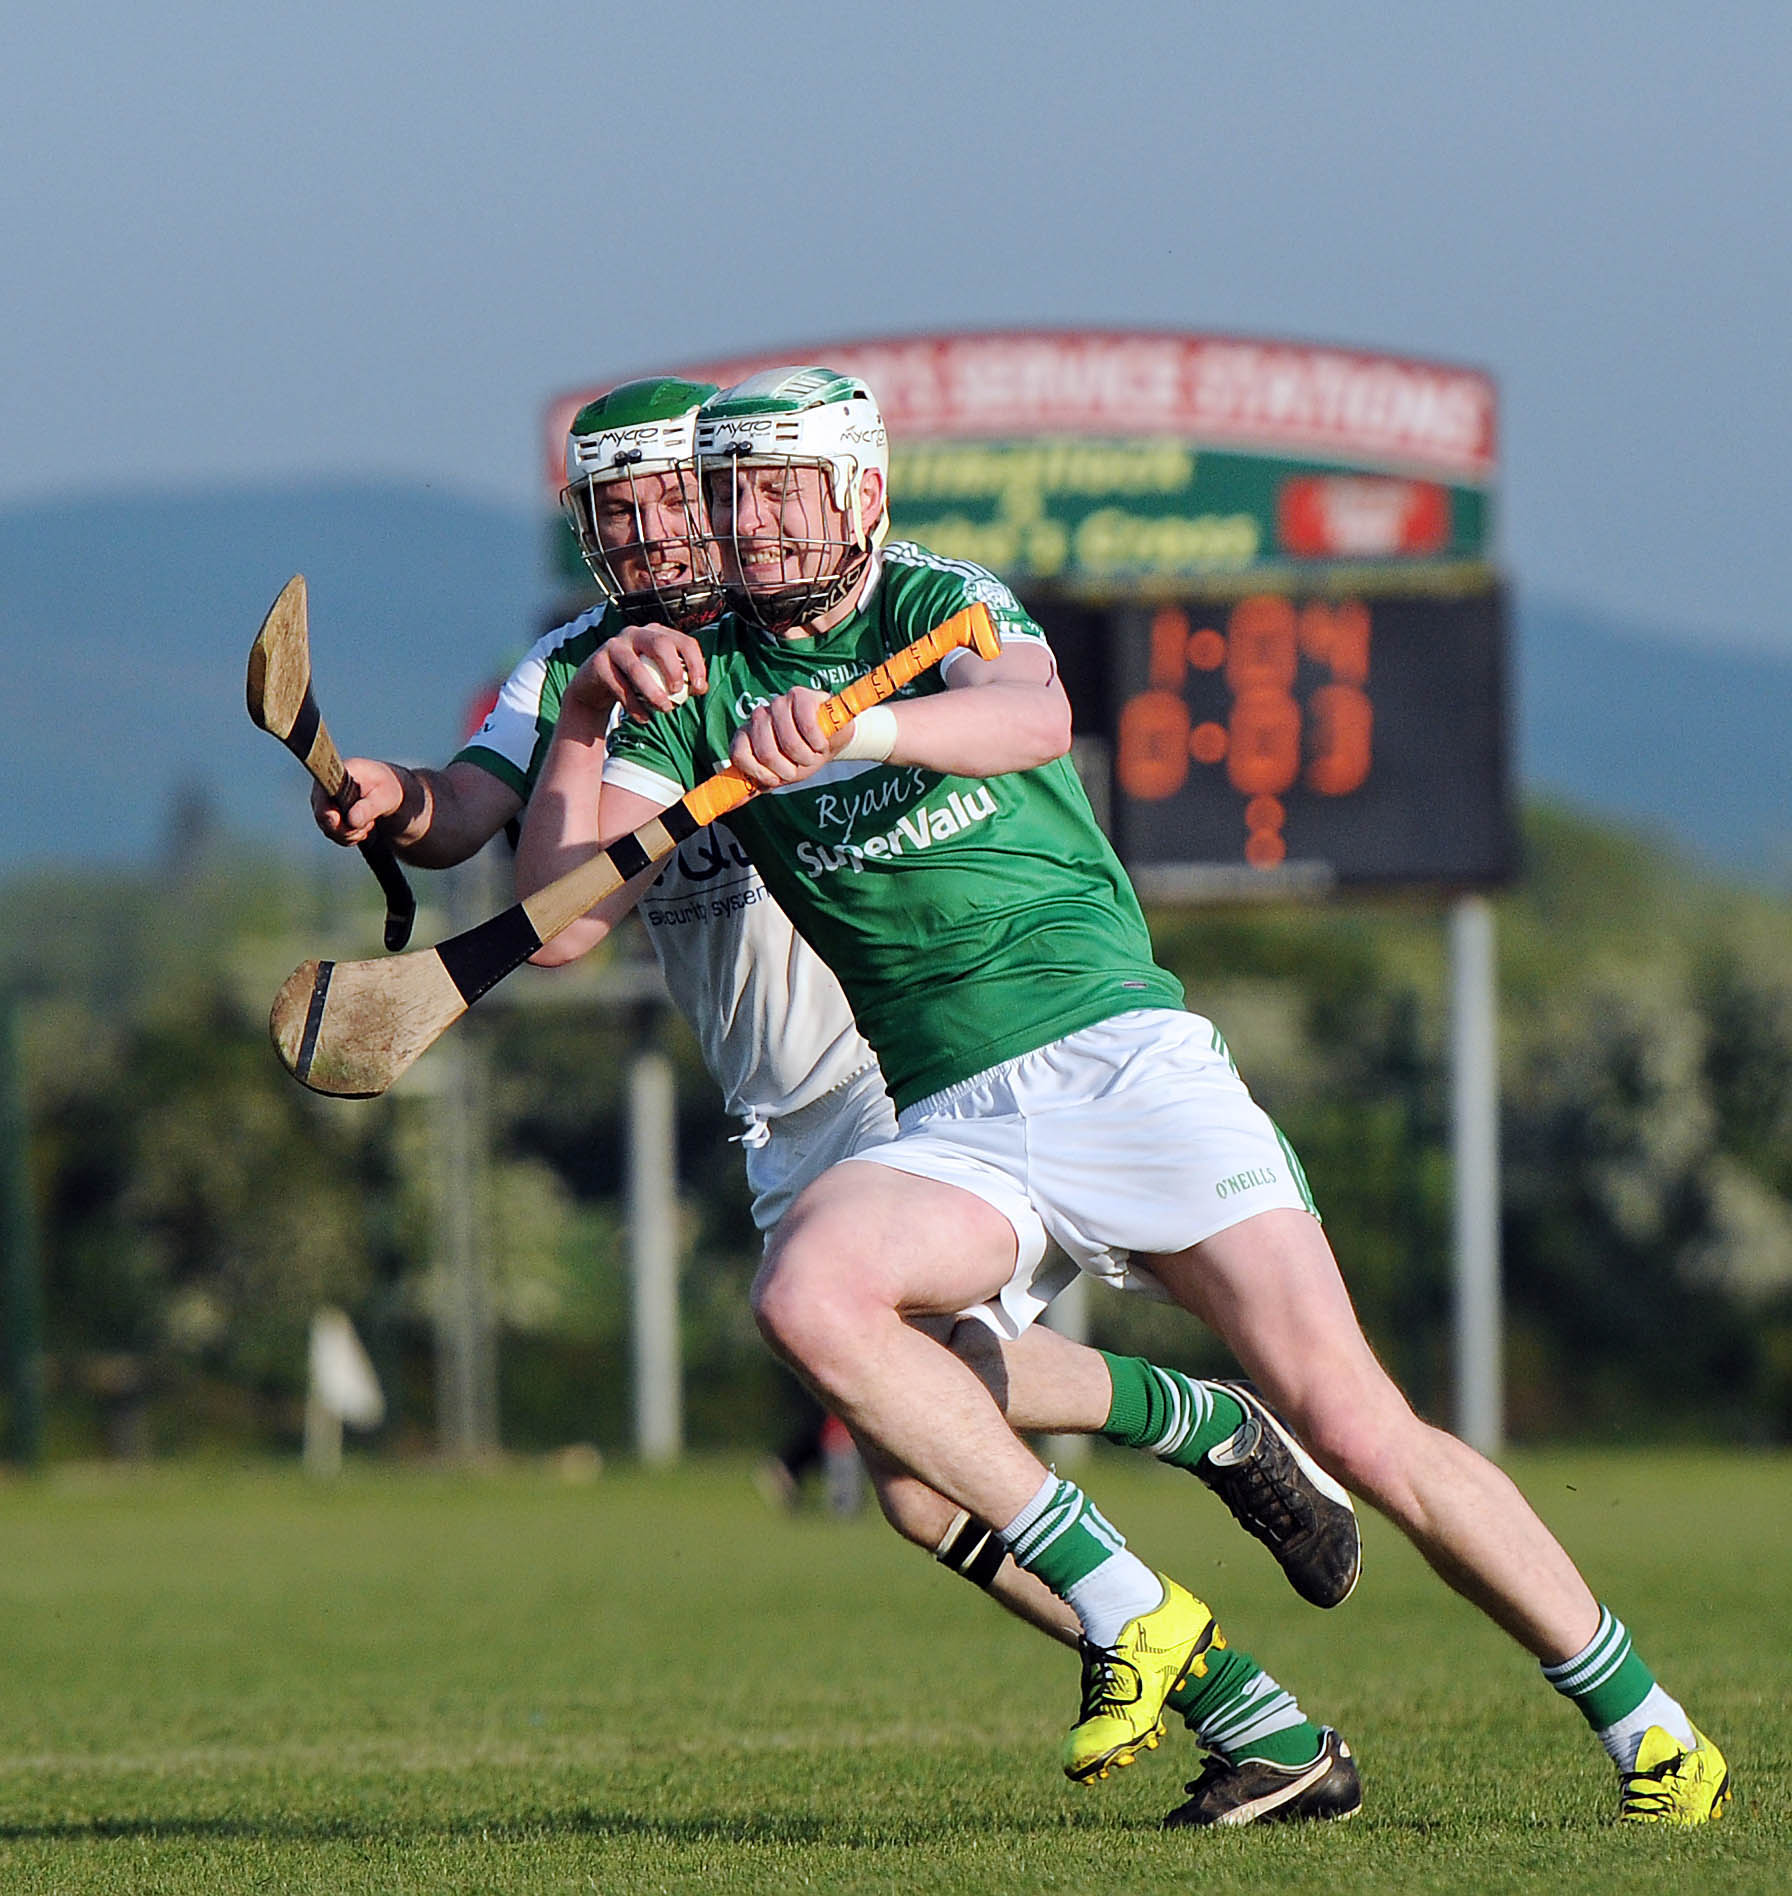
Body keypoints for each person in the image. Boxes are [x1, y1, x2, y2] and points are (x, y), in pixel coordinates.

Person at [524, 364, 1730, 1826]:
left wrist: (864, 731)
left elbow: (1031, 715)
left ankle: (1650, 1727)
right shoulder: (692, 691)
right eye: (735, 492)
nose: (756, 520)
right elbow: (566, 925)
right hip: (953, 1123)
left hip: (1125, 1066)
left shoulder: (929, 600)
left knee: (1359, 1431)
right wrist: (585, 719)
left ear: (860, 493)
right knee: (810, 1301)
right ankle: (1133, 1614)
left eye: (784, 485)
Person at [315, 374, 1364, 1828]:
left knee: (904, 1407)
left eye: (657, 500)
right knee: (923, 1488)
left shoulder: (804, 639)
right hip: (776, 1110)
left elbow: (996, 718)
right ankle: (1243, 1633)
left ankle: (1211, 1617)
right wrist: (388, 792)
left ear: (721, 492)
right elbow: (490, 833)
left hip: (904, 1080)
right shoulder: (573, 662)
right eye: (605, 511)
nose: (636, 534)